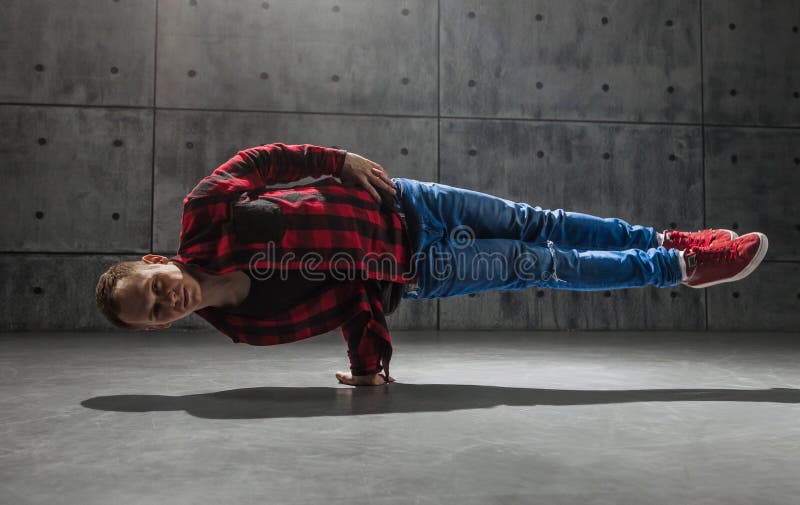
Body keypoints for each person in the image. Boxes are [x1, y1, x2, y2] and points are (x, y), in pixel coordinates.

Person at [95, 143, 768, 387]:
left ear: (155, 261)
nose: (164, 300)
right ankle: (681, 267)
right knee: (549, 261)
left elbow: (260, 162)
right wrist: (369, 367)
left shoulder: (203, 212)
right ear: (156, 328)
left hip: (406, 197)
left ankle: (671, 238)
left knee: (545, 221)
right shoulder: (245, 326)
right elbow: (345, 305)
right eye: (153, 312)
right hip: (425, 264)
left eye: (153, 287)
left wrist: (336, 162)